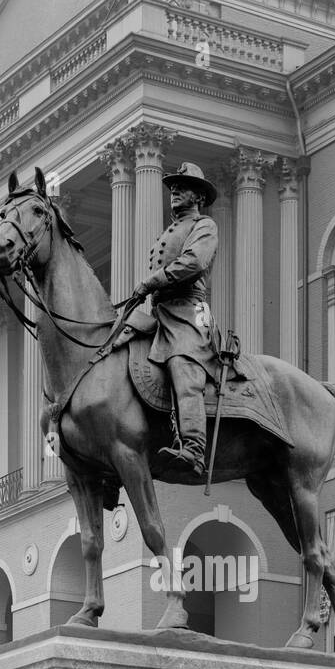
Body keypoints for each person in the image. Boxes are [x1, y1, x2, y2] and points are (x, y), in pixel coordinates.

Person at [119, 162, 221, 475]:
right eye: (173, 186)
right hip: (161, 312)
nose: (175, 190)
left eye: (184, 186)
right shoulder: (169, 231)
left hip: (191, 311)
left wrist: (152, 281)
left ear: (199, 197)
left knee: (183, 362)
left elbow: (194, 261)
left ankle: (193, 448)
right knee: (119, 345)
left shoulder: (204, 226)